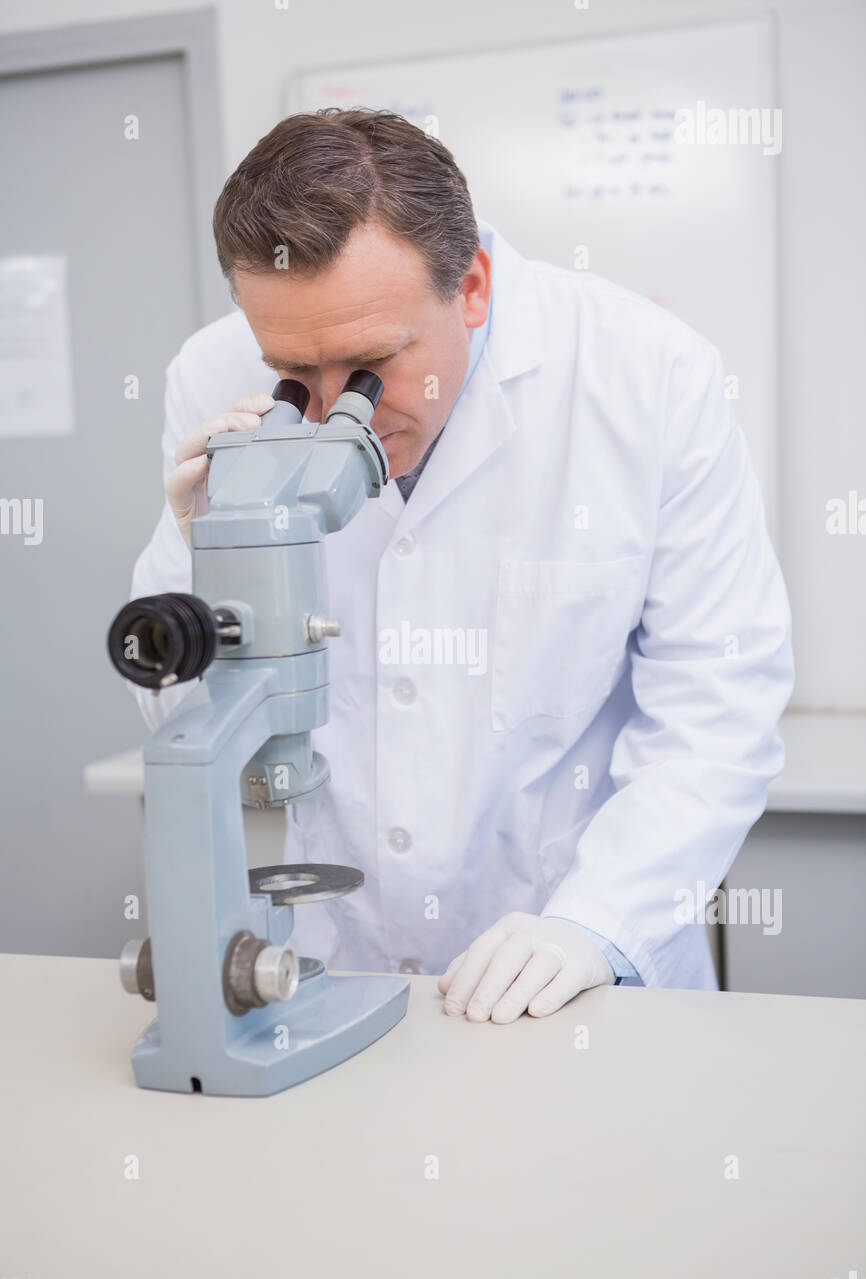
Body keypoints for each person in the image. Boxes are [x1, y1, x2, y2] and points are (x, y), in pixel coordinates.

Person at [127, 107, 793, 1024]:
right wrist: (200, 552)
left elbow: (720, 708)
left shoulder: (646, 376)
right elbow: (183, 722)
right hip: (329, 964)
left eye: (369, 366)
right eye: (293, 373)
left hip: (581, 972)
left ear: (472, 286)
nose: (330, 414)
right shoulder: (209, 374)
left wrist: (596, 925)